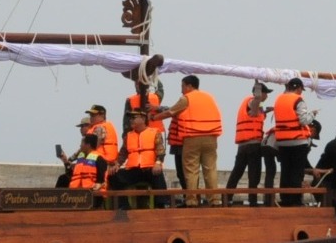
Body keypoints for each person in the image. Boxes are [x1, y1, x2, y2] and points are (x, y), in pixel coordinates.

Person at [155, 75, 223, 206]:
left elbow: (170, 112)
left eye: (182, 86)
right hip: (211, 138)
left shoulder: (186, 98)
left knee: (191, 170)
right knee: (210, 169)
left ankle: (191, 200)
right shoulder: (209, 97)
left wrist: (154, 118)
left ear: (189, 86)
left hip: (193, 137)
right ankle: (214, 199)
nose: (181, 90)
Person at [225, 82, 272, 206]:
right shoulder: (252, 101)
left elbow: (258, 112)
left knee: (237, 172)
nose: (267, 96)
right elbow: (255, 108)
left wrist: (268, 110)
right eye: (266, 93)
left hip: (243, 145)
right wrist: (257, 96)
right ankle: (253, 201)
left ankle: (227, 197)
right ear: (261, 93)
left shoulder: (245, 104)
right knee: (254, 174)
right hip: (253, 145)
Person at [273, 77, 317, 206]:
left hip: (282, 141)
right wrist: (312, 114)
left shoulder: (278, 99)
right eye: (301, 89)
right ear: (298, 88)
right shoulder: (298, 100)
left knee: (285, 171)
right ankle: (295, 201)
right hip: (297, 141)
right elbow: (303, 120)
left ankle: (285, 199)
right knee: (296, 172)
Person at [112, 109, 163, 208]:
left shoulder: (155, 132)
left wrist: (158, 162)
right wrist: (117, 164)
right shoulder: (128, 136)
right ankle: (124, 206)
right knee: (114, 176)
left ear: (143, 119)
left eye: (134, 118)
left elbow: (160, 150)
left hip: (150, 168)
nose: (131, 120)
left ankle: (161, 205)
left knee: (159, 176)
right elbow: (123, 153)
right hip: (133, 170)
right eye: (130, 118)